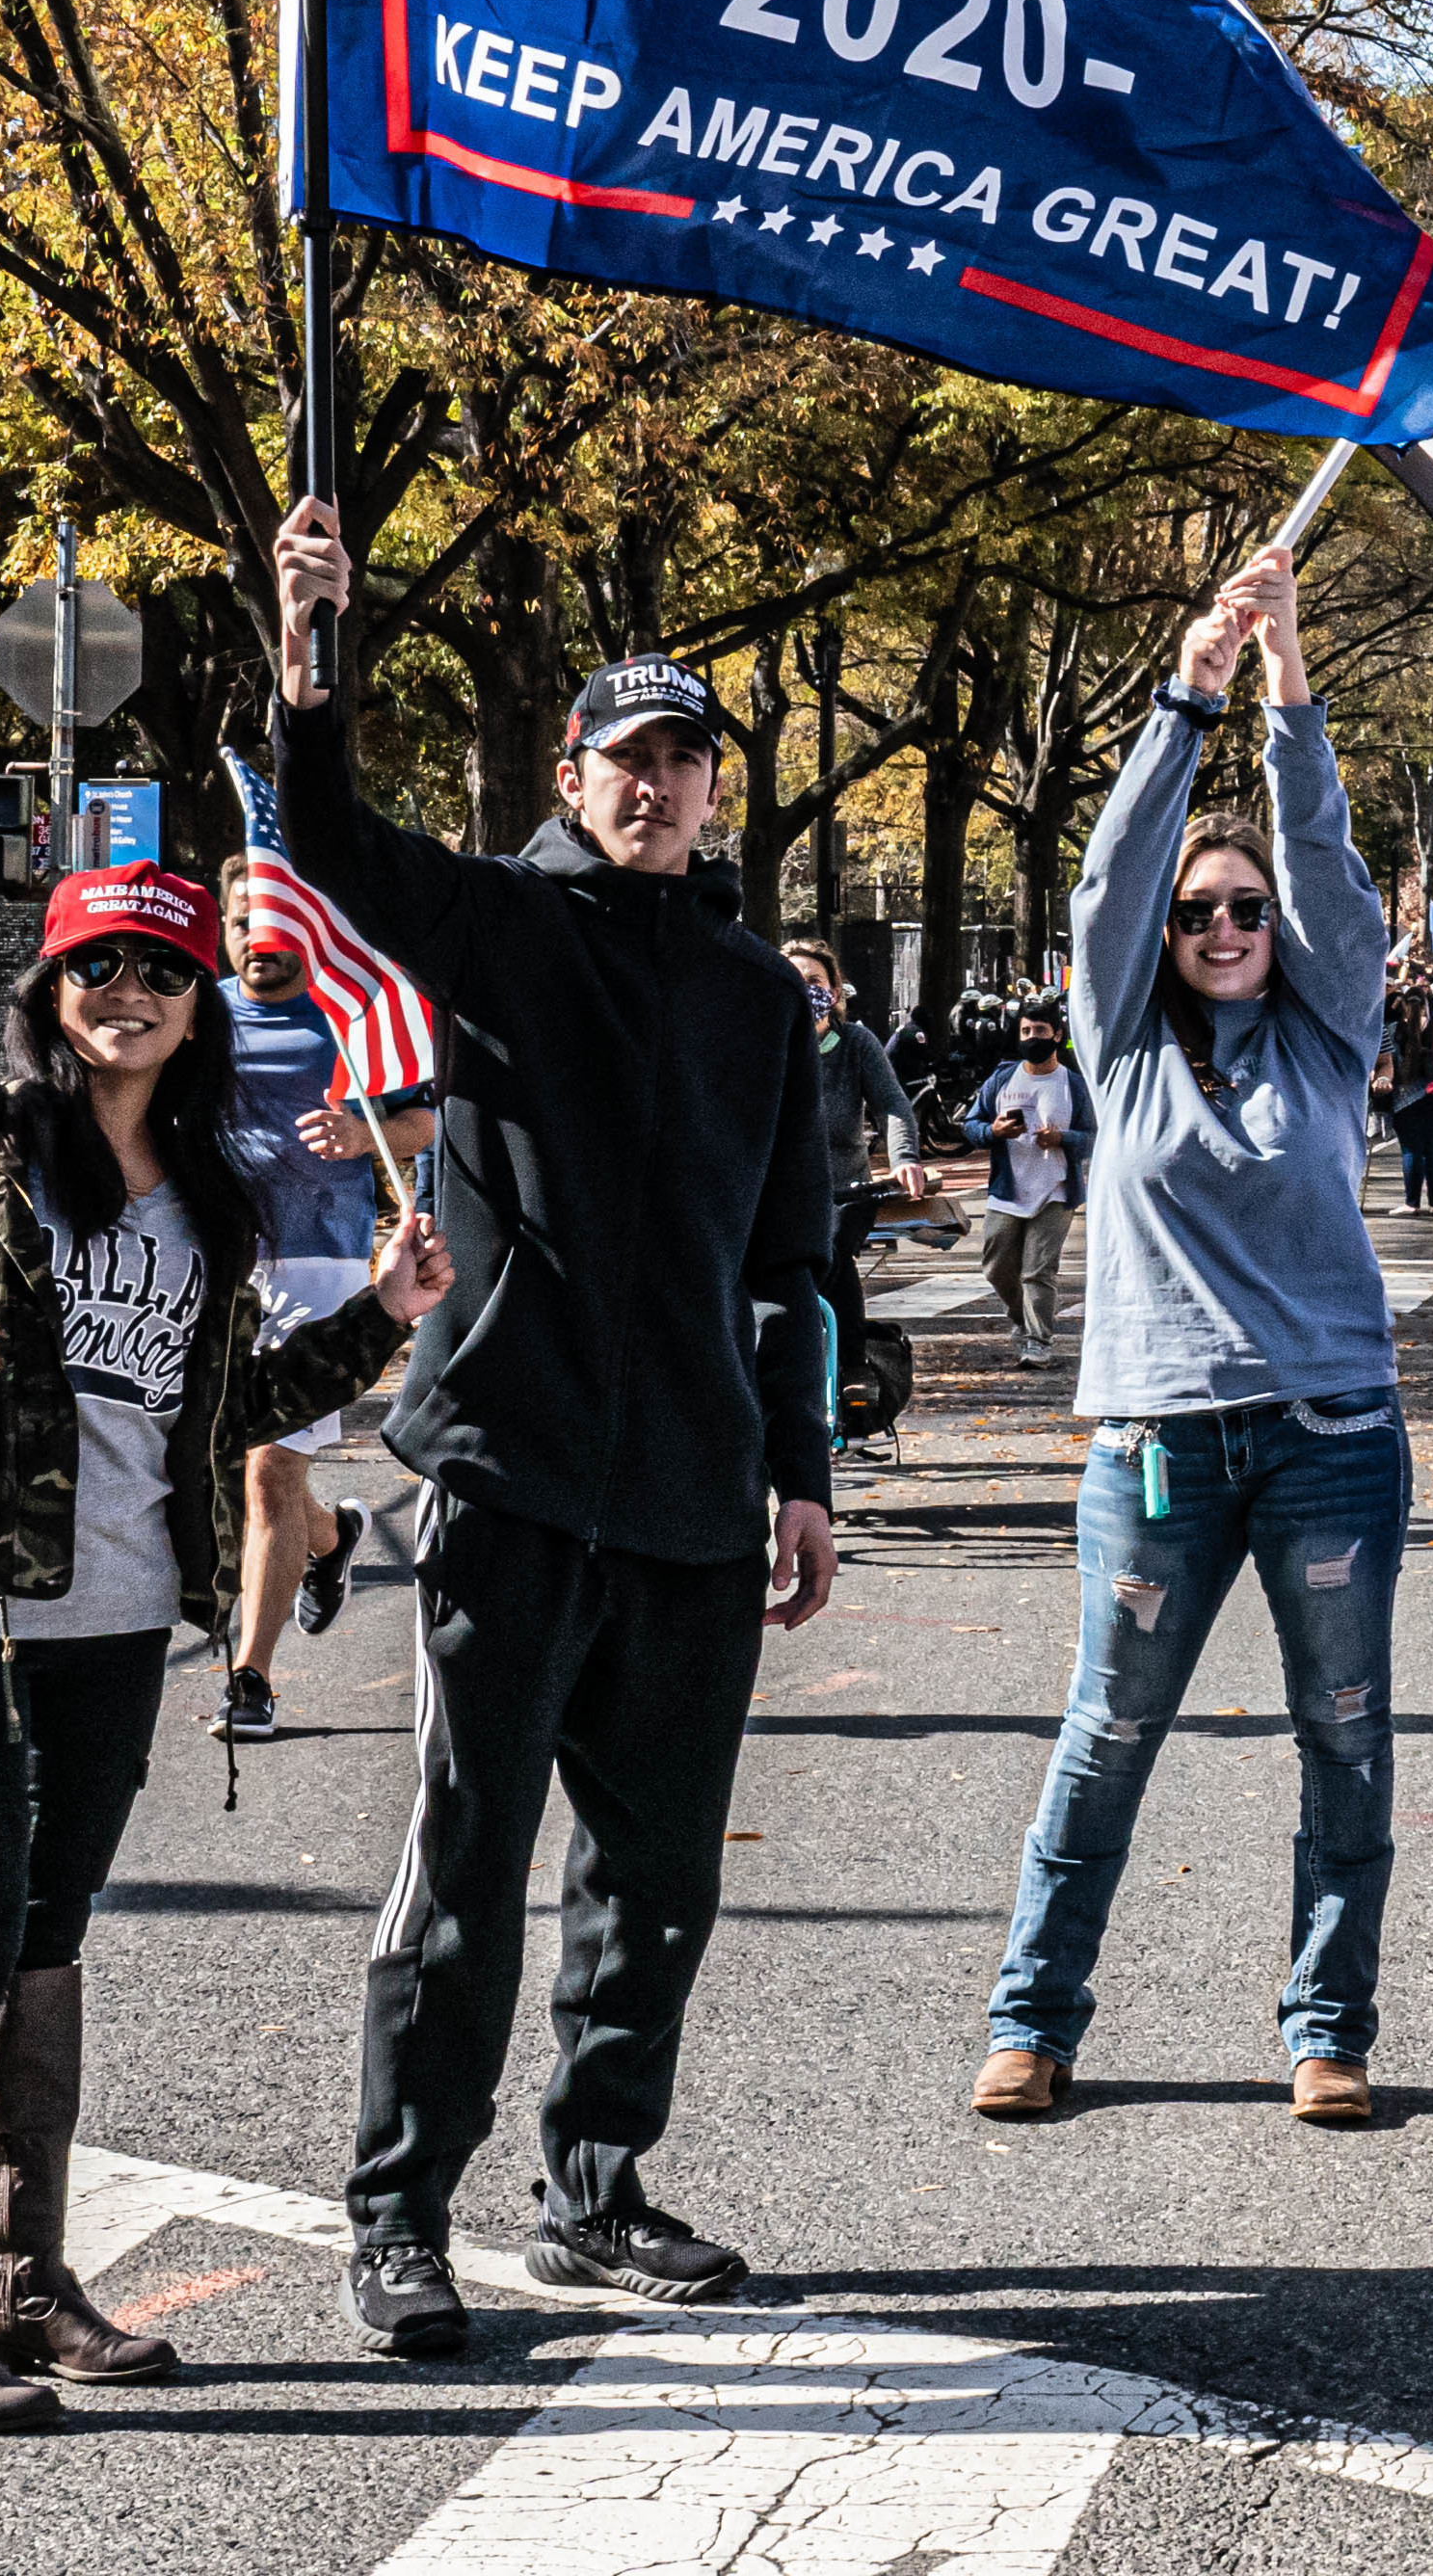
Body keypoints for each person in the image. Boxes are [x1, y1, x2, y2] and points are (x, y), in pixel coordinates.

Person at [269, 503, 838, 2359]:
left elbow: (791, 1259)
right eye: (632, 761)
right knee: (467, 1866)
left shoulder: (761, 997)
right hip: (508, 1477)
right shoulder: (506, 933)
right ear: (577, 778)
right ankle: (398, 2213)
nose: (663, 789)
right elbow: (335, 843)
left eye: (689, 764)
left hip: (689, 1497)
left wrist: (804, 1474)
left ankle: (594, 2187)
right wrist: (311, 655)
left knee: (653, 1879)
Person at [0, 863, 438, 2432]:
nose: (126, 990)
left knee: (50, 1930)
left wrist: (378, 1314)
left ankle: (19, 2281)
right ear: (52, 992)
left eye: (161, 966)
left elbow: (224, 1407)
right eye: (97, 965)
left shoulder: (211, 1189)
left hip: (127, 1606)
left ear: (201, 999)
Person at [974, 545, 1402, 2129]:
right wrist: (1190, 687)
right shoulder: (1123, 1039)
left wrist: (1290, 676)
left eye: (1246, 908)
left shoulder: (1330, 1028)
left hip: (1334, 1443)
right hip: (1157, 1441)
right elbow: (1104, 877)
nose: (1225, 923)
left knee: (1344, 1740)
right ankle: (1033, 2017)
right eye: (1199, 910)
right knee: (1106, 1736)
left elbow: (1329, 862)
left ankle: (1327, 2028)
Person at [208, 860, 434, 1744]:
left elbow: (431, 1119)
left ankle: (249, 1680)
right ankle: (332, 1540)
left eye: (271, 923)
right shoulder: (197, 1014)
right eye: (238, 924)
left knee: (267, 1468)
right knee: (230, 1452)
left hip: (322, 1263)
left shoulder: (357, 1014)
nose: (256, 941)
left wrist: (361, 1134)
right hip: (216, 1261)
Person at [783, 937, 930, 1381]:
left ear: (833, 989)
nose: (804, 989)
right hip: (782, 1192)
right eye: (793, 980)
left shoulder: (856, 1043)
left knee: (828, 1253)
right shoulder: (761, 1044)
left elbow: (893, 1104)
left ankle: (852, 1370)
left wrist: (904, 1157)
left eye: (814, 980)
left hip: (845, 1189)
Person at [968, 1003, 1089, 1369]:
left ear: (1057, 1035)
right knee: (996, 1266)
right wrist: (994, 1131)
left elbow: (1097, 1136)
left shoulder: (1074, 1084)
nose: (1032, 1038)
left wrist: (1063, 1138)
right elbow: (971, 1127)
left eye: (1040, 1031)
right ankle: (1024, 1320)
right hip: (1007, 1191)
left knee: (1038, 1270)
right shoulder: (1002, 1079)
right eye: (1026, 1032)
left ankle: (1038, 1341)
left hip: (1056, 1190)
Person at [1385, 969, 1433, 1215]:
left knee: (1412, 1150)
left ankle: (1411, 1203)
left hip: (1404, 1099)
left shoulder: (1392, 1030)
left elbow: (1385, 1060)